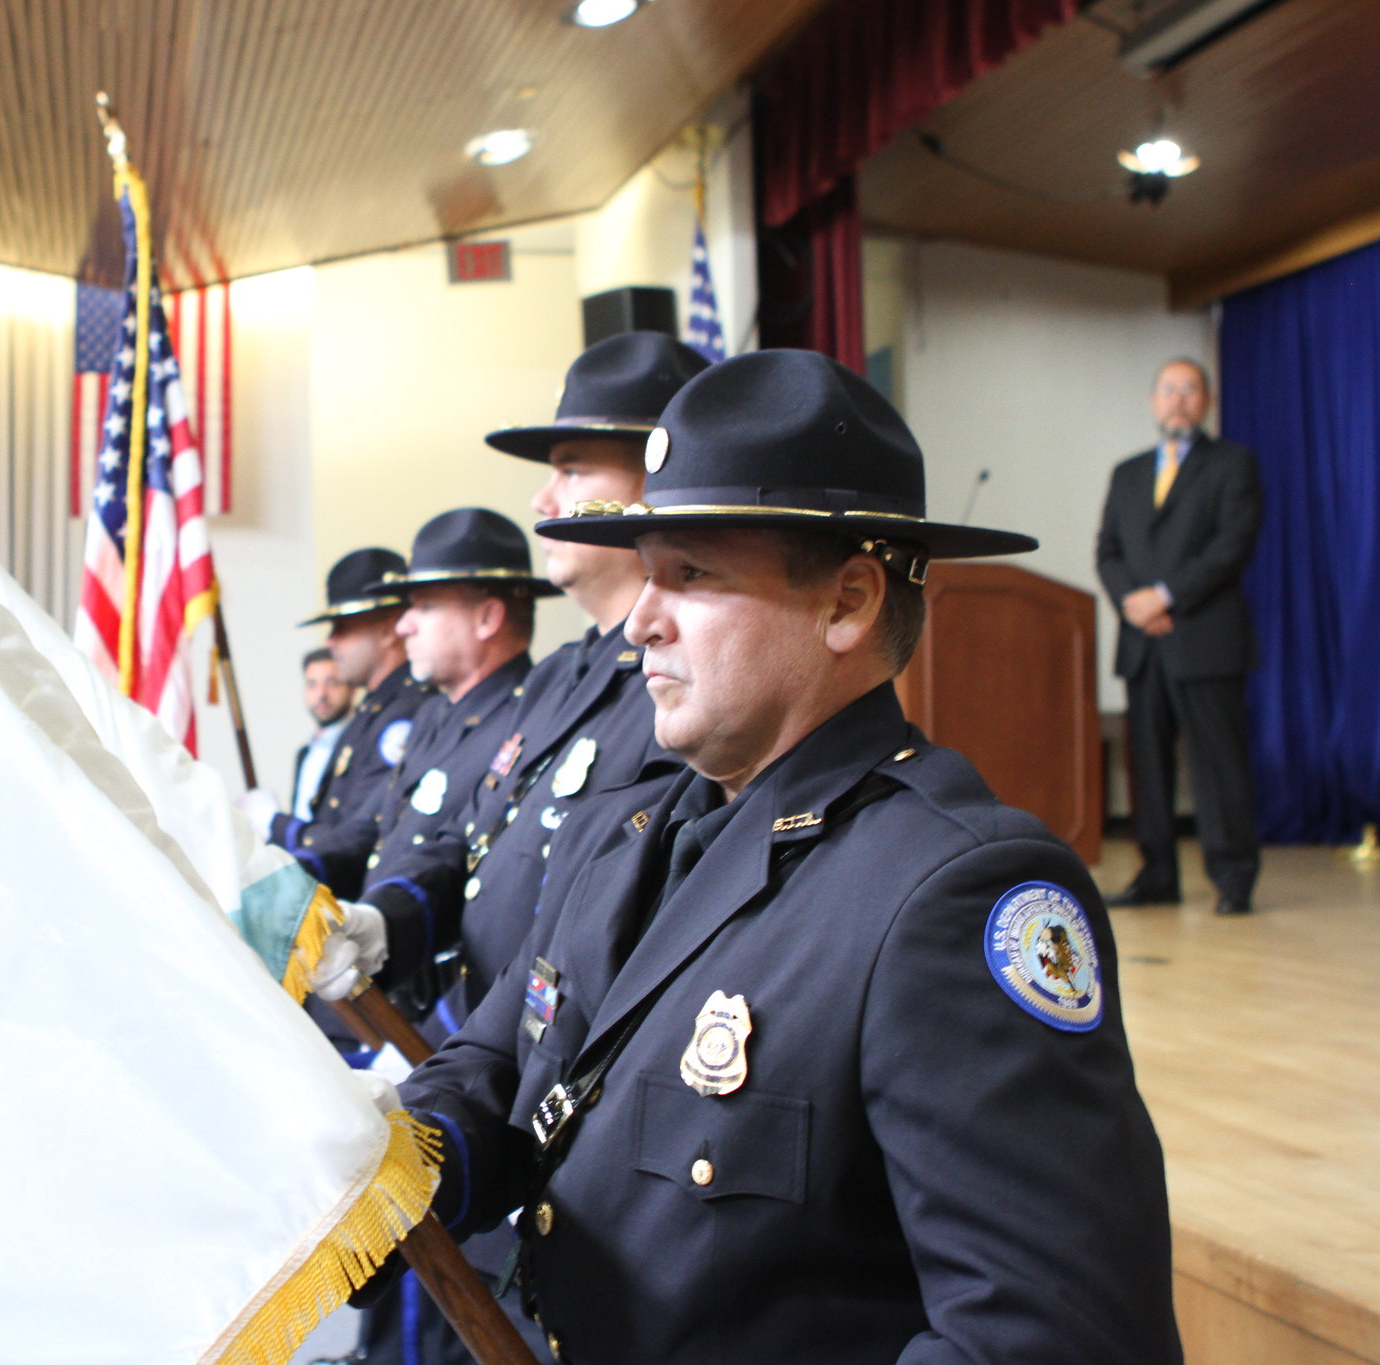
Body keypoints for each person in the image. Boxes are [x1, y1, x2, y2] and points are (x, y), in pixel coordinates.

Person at [387, 349, 1180, 1364]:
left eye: (691, 575)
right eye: (646, 573)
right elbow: (499, 1065)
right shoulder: (618, 835)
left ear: (846, 603)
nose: (640, 621)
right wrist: (400, 1162)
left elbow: (1048, 1339)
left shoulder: (949, 896)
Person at [320, 332, 706, 1032]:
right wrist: (386, 918)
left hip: (544, 1061)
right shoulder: (561, 675)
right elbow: (479, 843)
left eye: (573, 470)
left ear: (656, 480)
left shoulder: (680, 680)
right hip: (480, 1042)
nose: (542, 498)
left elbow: (604, 919)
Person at [315, 510, 550, 1008]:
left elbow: (500, 898)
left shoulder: (527, 722)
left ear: (487, 618)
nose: (403, 625)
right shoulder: (433, 716)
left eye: (422, 606)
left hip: (454, 1005)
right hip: (391, 980)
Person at [1097, 358, 1263, 916]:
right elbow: (1108, 551)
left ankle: (1233, 879)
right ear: (1153, 401)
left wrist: (1164, 597)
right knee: (1148, 766)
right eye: (1168, 390)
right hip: (1143, 645)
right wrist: (1135, 604)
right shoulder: (1127, 473)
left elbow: (1231, 547)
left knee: (1218, 766)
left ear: (1207, 402)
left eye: (1190, 390)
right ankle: (1157, 876)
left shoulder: (1233, 465)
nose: (1178, 400)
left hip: (1205, 639)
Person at [240, 548, 427, 899]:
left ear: (387, 631)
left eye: (342, 627)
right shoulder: (372, 711)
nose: (330, 642)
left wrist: (275, 824)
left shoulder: (406, 714)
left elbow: (363, 834)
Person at [292, 646, 353, 821]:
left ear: (351, 687)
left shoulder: (361, 747)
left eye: (332, 683)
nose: (321, 694)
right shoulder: (304, 753)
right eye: (312, 685)